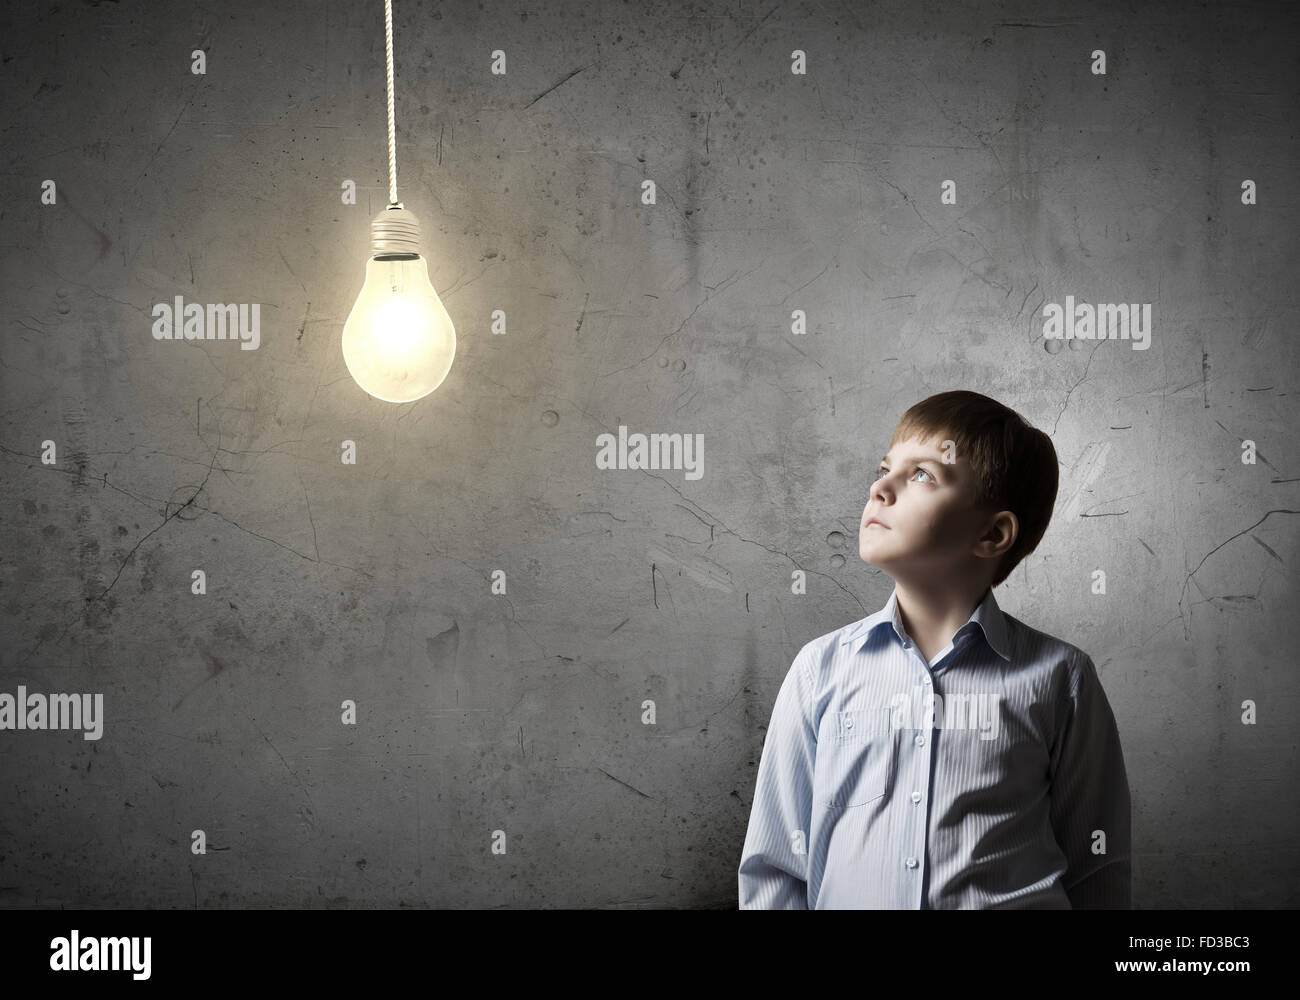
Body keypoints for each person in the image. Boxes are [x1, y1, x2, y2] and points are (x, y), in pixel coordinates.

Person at [737, 389, 1131, 908]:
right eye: (884, 468)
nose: (880, 487)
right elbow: (775, 869)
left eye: (921, 474)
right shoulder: (820, 669)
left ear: (992, 534)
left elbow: (1096, 870)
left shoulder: (1062, 678)